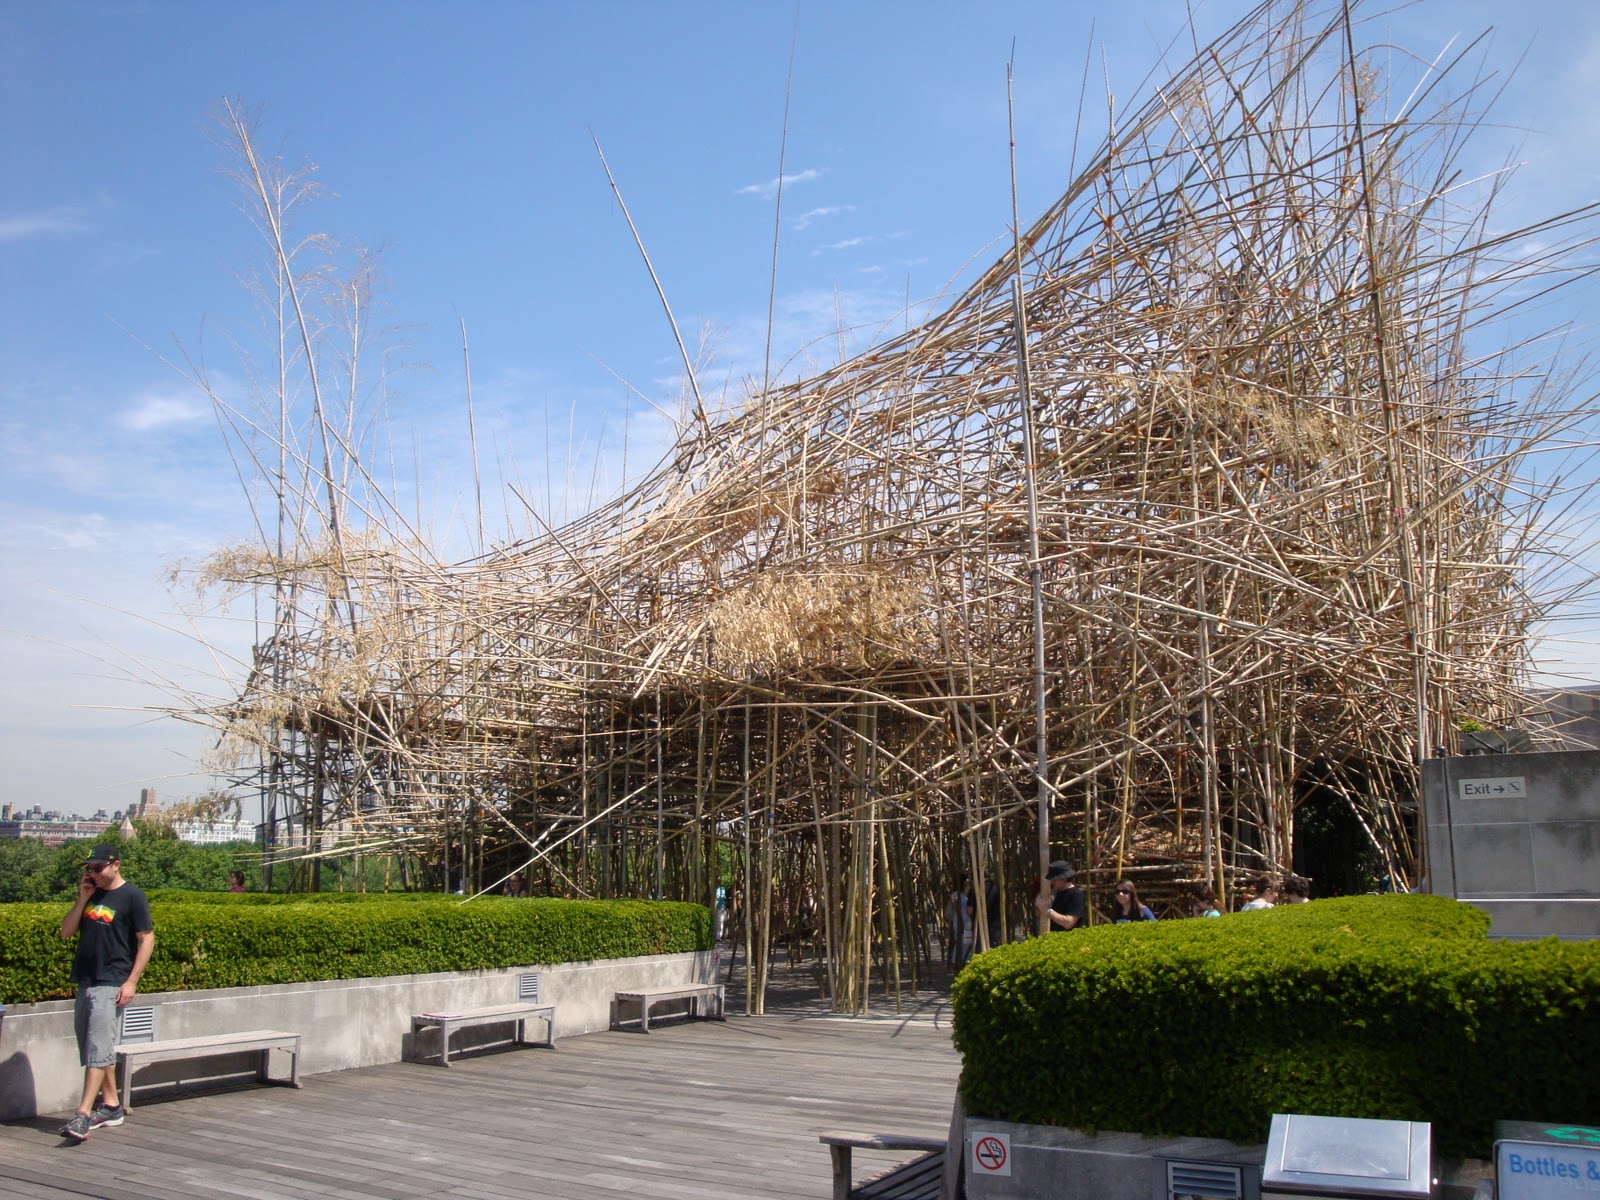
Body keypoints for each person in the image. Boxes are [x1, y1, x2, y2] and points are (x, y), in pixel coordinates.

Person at [57, 846, 154, 1141]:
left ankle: (83, 1114)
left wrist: (132, 981)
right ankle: (112, 1105)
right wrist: (83, 897)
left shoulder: (132, 897)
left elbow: (146, 940)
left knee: (98, 1047)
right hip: (86, 979)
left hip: (111, 981)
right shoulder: (91, 894)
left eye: (98, 868)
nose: (92, 874)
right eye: (89, 869)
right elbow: (66, 932)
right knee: (93, 1048)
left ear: (116, 865)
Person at [1035, 860, 1087, 931]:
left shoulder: (1076, 895)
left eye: (1055, 879)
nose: (1052, 882)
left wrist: (1048, 910)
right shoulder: (1058, 893)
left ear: (1064, 878)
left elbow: (1068, 923)